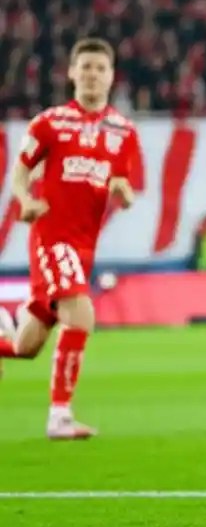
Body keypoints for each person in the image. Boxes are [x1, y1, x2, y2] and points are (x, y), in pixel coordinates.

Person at [0, 37, 140, 440]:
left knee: (28, 345)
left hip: (84, 244)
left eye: (101, 68)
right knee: (81, 315)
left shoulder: (123, 132)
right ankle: (59, 417)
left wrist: (124, 192)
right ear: (72, 73)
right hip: (52, 234)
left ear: (112, 77)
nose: (93, 75)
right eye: (87, 67)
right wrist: (24, 199)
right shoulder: (49, 123)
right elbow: (20, 170)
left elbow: (119, 178)